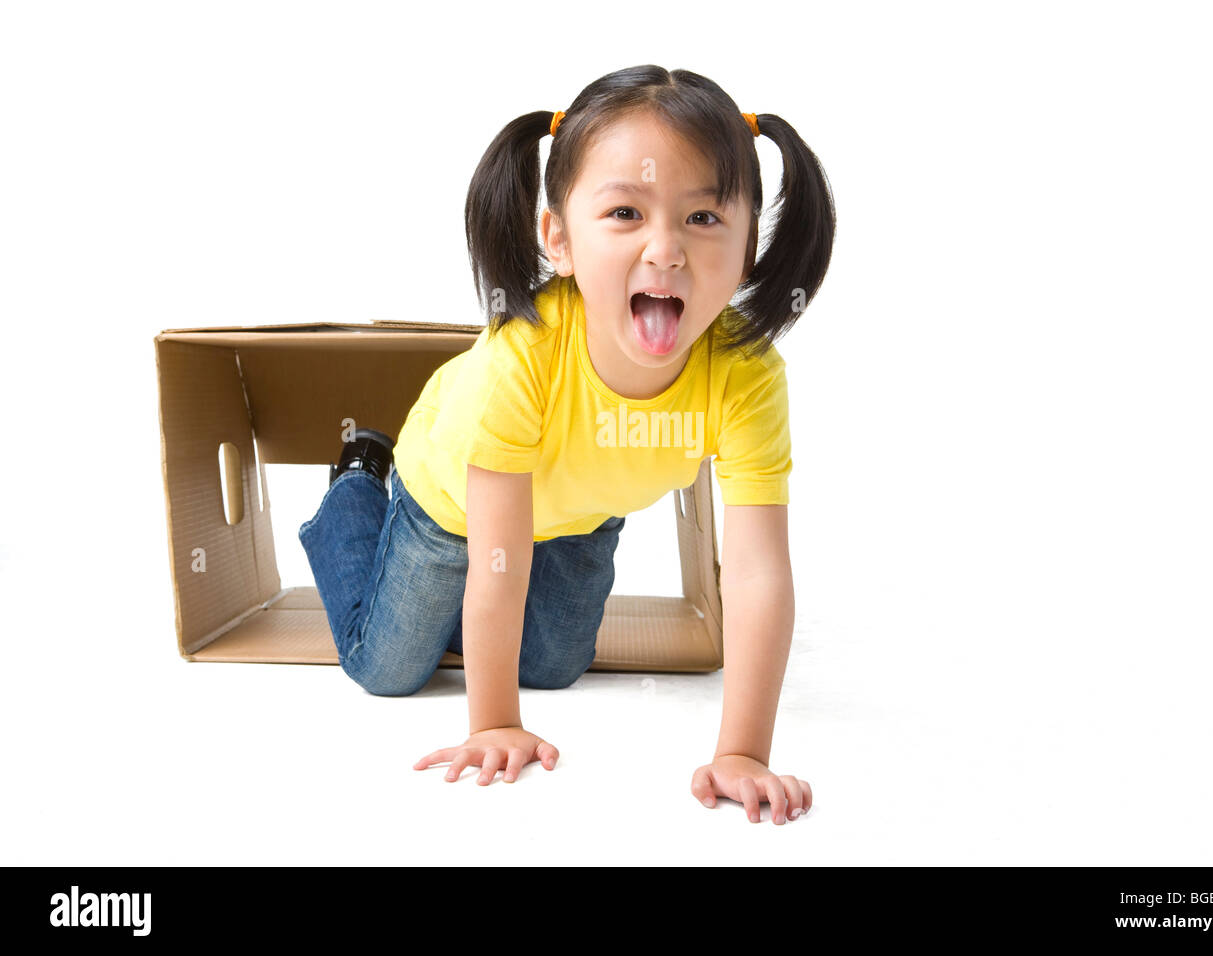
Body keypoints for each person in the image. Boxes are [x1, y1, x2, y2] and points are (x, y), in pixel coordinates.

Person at [298, 64, 835, 825]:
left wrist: (742, 750)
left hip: (580, 512)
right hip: (453, 505)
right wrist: (491, 723)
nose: (666, 249)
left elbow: (753, 570)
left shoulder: (746, 375)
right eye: (625, 212)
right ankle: (358, 478)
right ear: (559, 238)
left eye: (704, 218)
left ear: (749, 247)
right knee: (388, 669)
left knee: (552, 667)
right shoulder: (523, 358)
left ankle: (455, 618)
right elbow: (499, 557)